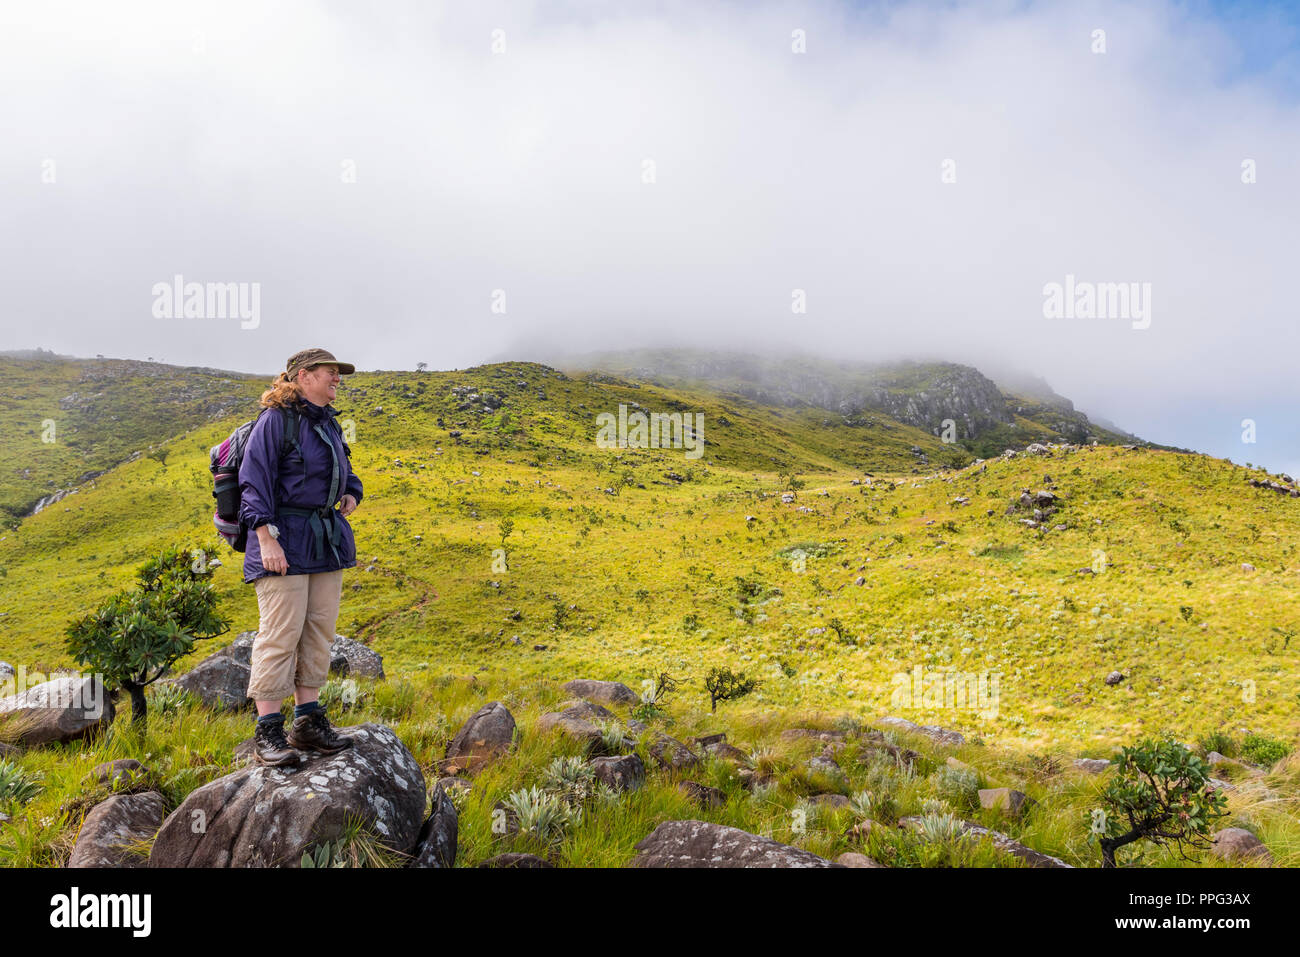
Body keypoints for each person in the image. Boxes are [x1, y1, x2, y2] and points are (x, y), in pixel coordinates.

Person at [239, 347, 363, 767]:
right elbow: (252, 482)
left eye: (337, 374)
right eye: (331, 372)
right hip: (282, 541)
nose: (337, 380)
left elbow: (347, 471)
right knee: (280, 634)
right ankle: (268, 732)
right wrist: (265, 539)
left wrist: (351, 493)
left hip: (324, 541)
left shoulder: (328, 425)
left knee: (318, 632)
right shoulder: (276, 421)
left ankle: (308, 720)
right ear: (303, 376)